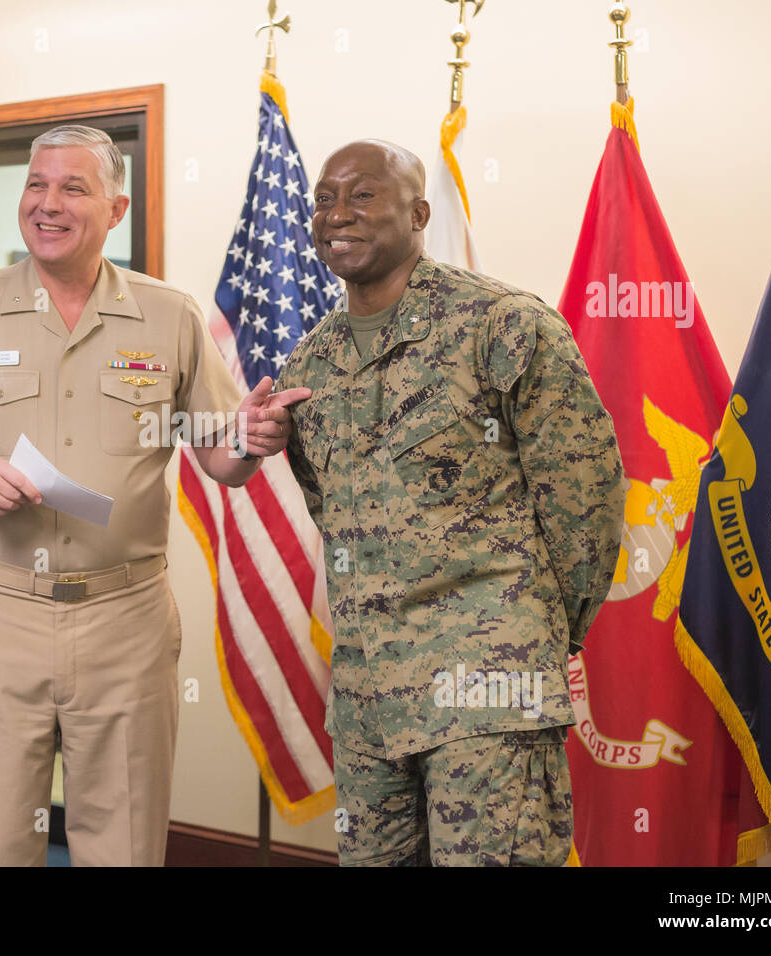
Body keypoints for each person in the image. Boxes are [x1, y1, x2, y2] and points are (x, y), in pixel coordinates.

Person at [0, 125, 308, 866]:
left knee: (125, 843)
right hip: (0, 616)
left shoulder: (169, 315)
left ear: (116, 210)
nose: (47, 204)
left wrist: (249, 440)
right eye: (36, 185)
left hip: (127, 622)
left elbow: (217, 454)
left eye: (72, 188)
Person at [275, 139, 625, 866]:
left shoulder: (503, 325)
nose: (337, 213)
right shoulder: (310, 362)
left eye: (363, 195)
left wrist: (529, 638)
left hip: (489, 691)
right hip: (370, 702)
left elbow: (583, 499)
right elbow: (331, 510)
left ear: (419, 212)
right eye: (323, 198)